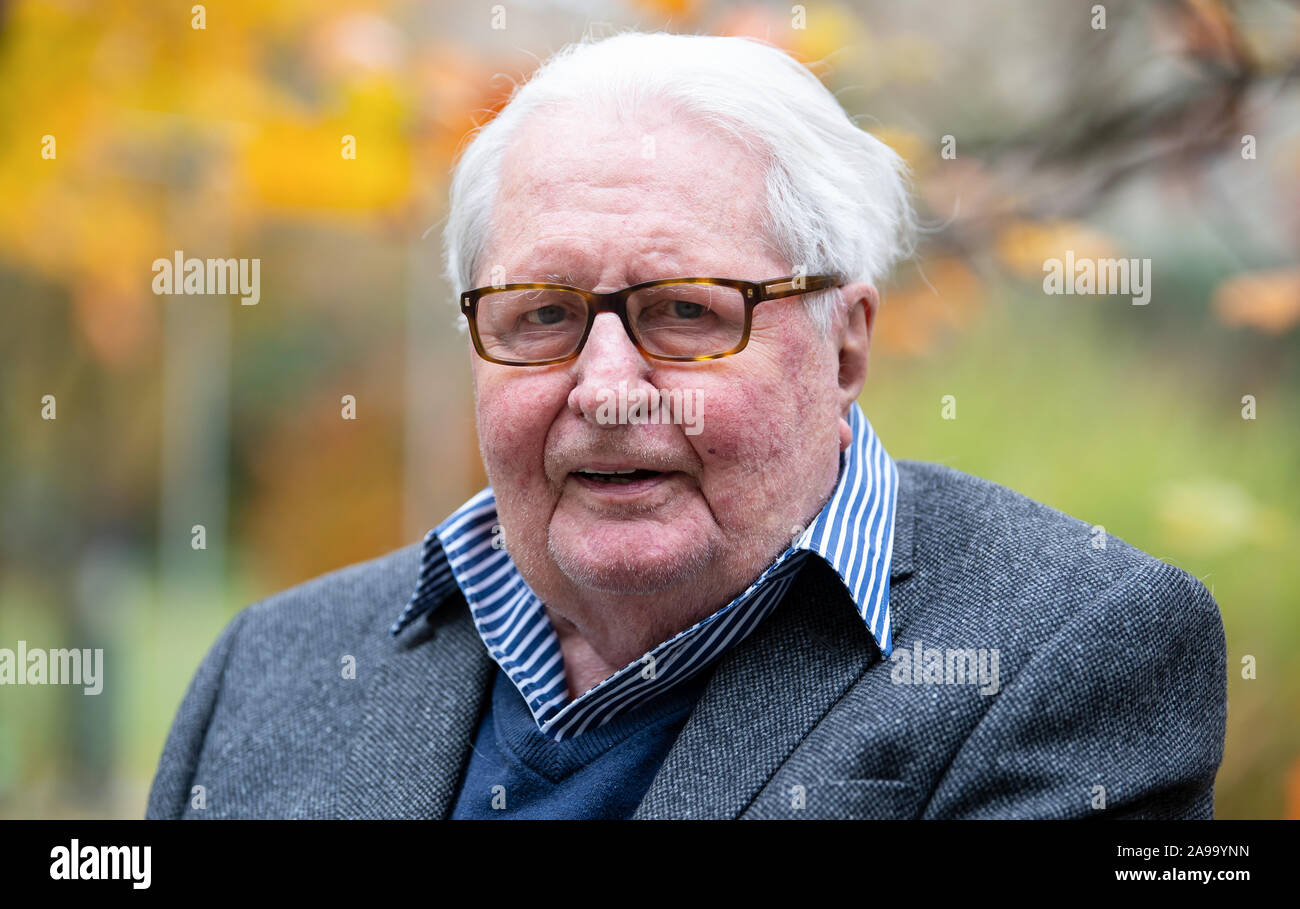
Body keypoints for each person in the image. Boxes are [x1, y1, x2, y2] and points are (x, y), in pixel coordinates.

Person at [147, 30, 1226, 820]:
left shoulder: (1070, 652)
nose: (606, 388)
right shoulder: (271, 670)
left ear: (845, 344)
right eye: (542, 316)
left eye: (684, 313)